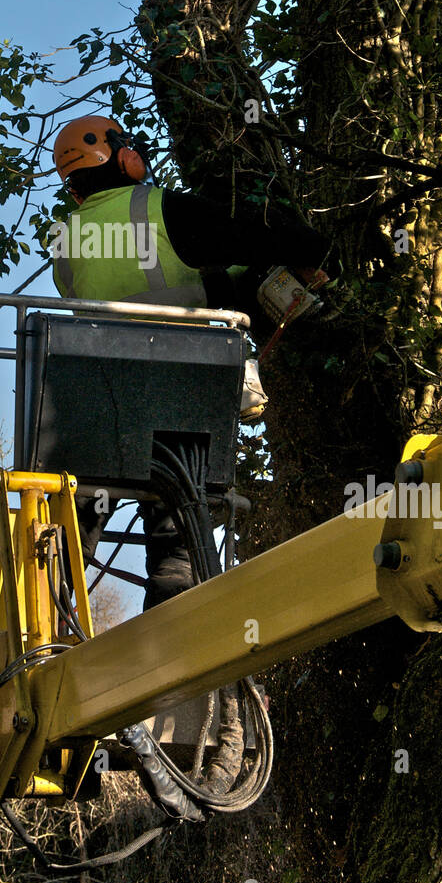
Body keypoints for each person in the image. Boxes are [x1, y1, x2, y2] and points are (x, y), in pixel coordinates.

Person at [49, 113, 330, 609]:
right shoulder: (158, 208)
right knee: (176, 531)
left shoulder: (66, 241)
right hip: (178, 390)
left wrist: (229, 283)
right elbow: (245, 236)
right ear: (121, 155)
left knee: (78, 522)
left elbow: (138, 285)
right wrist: (312, 248)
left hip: (102, 397)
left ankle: (47, 616)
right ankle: (169, 644)